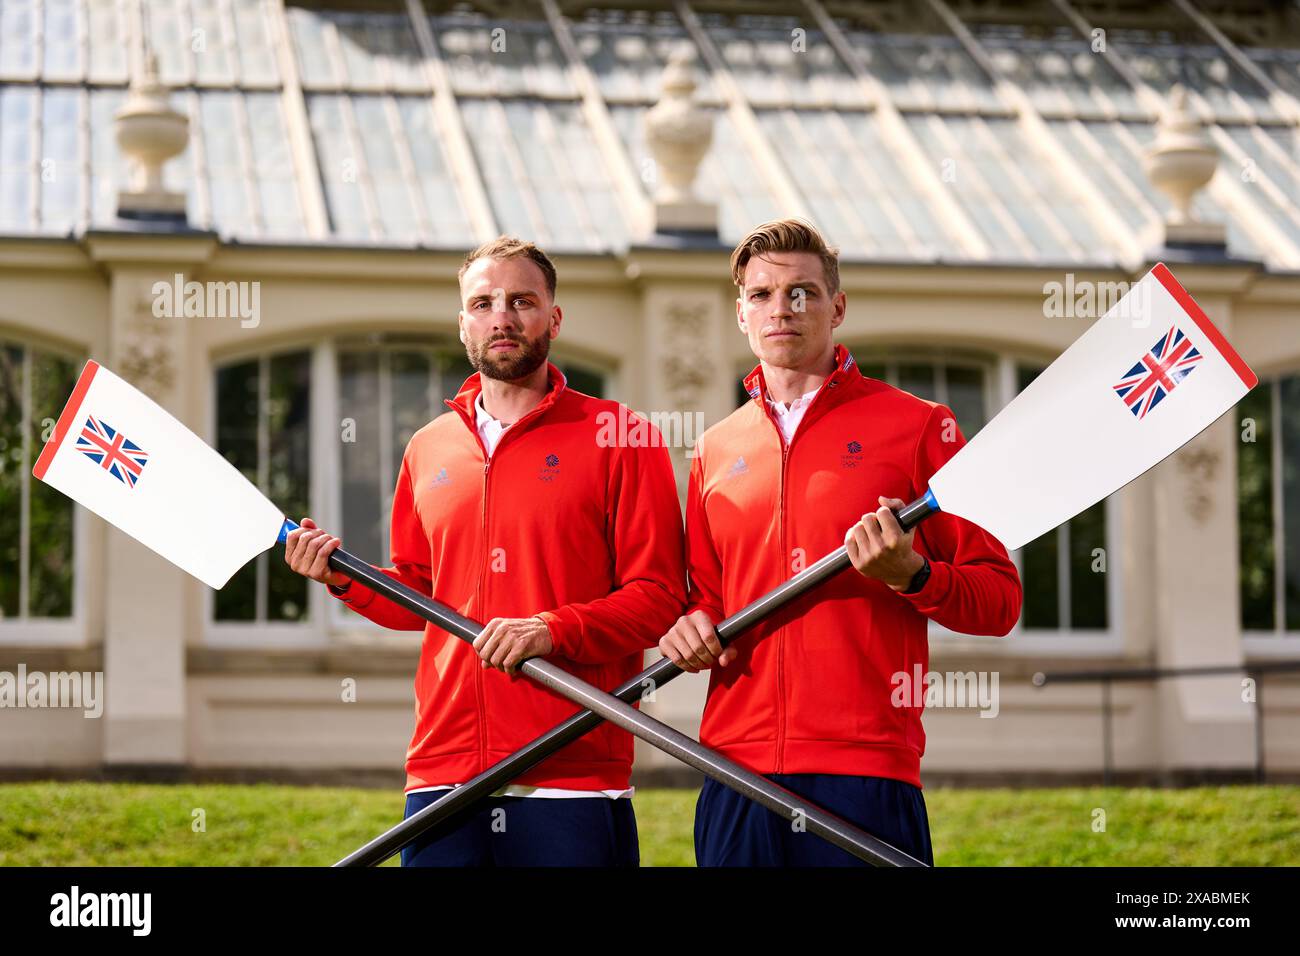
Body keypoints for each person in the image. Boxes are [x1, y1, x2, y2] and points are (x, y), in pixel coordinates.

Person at [286, 236, 686, 866]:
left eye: (521, 300)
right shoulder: (428, 447)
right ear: (463, 323)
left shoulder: (623, 437)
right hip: (444, 769)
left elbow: (659, 598)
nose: (502, 316)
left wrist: (551, 630)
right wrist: (340, 577)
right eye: (483, 303)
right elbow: (418, 595)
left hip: (570, 764)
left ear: (553, 318)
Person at [657, 219, 1022, 866]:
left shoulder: (918, 427)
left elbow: (998, 601)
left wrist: (913, 575)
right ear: (741, 314)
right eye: (762, 295)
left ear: (837, 307)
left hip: (864, 771)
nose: (782, 309)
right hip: (735, 768)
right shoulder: (714, 449)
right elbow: (703, 601)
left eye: (801, 292)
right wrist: (688, 626)